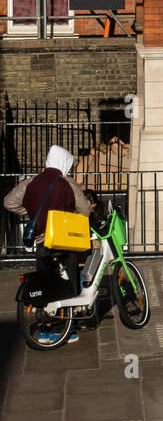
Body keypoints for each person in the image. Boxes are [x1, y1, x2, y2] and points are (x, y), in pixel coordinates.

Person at [3, 144, 93, 344]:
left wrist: (31, 213)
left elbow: (8, 202)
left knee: (46, 281)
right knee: (66, 283)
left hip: (41, 241)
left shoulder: (30, 183)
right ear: (63, 163)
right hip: (63, 241)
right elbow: (85, 211)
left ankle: (45, 327)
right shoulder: (66, 183)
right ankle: (64, 328)